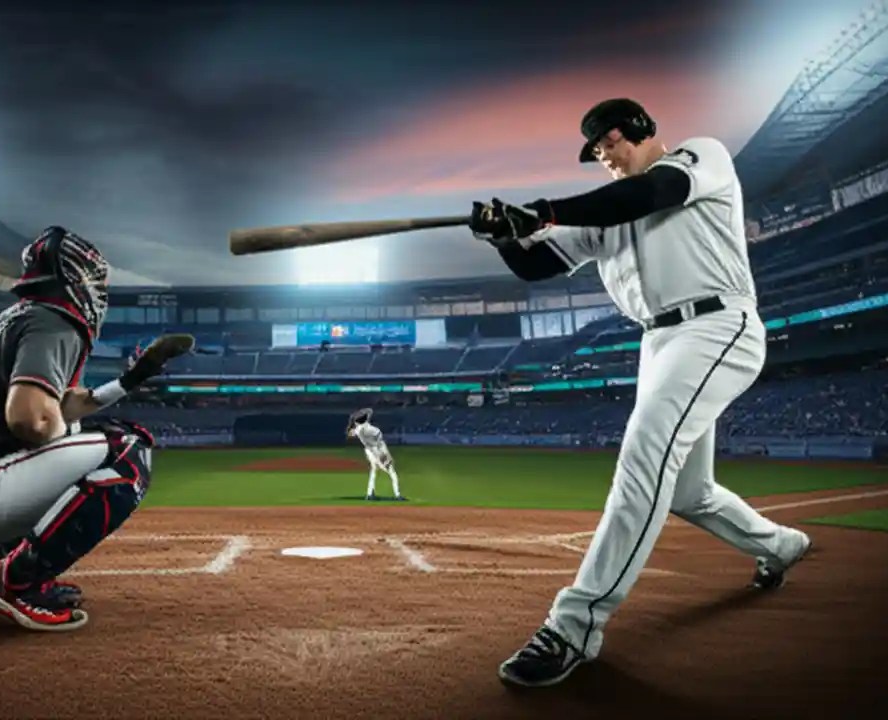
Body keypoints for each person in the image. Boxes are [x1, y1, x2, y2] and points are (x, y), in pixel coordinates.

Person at [468, 98, 811, 687]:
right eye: (596, 151)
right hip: (657, 343)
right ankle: (781, 546)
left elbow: (650, 194)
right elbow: (536, 265)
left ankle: (575, 625)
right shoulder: (606, 214)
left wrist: (543, 211)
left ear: (643, 130)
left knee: (643, 458)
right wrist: (505, 235)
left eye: (610, 141)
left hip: (717, 324)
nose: (604, 155)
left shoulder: (700, 157)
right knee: (690, 492)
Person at [0, 225, 193, 632]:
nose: (99, 291)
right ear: (73, 277)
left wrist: (131, 379)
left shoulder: (23, 316)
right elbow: (30, 419)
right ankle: (16, 583)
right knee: (128, 450)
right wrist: (65, 442)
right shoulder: (55, 322)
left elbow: (59, 407)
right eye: (94, 281)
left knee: (72, 435)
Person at [347, 408, 405, 501]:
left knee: (373, 471)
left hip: (369, 452)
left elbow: (350, 434)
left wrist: (351, 424)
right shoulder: (375, 430)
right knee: (392, 473)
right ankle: (398, 495)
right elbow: (381, 444)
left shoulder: (358, 430)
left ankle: (369, 494)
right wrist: (388, 455)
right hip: (378, 451)